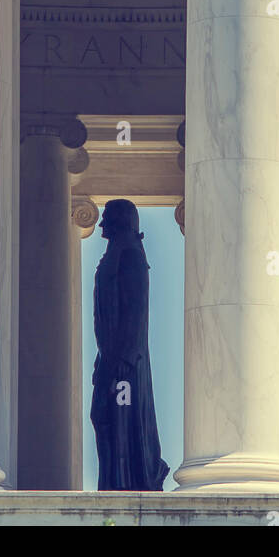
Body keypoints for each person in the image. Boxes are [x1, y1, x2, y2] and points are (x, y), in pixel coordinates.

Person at [90, 199, 169, 490]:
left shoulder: (132, 255)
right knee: (104, 415)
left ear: (121, 220)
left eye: (107, 218)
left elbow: (137, 309)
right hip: (111, 359)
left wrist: (124, 357)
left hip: (126, 363)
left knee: (121, 416)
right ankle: (113, 482)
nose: (101, 225)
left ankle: (128, 482)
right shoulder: (116, 253)